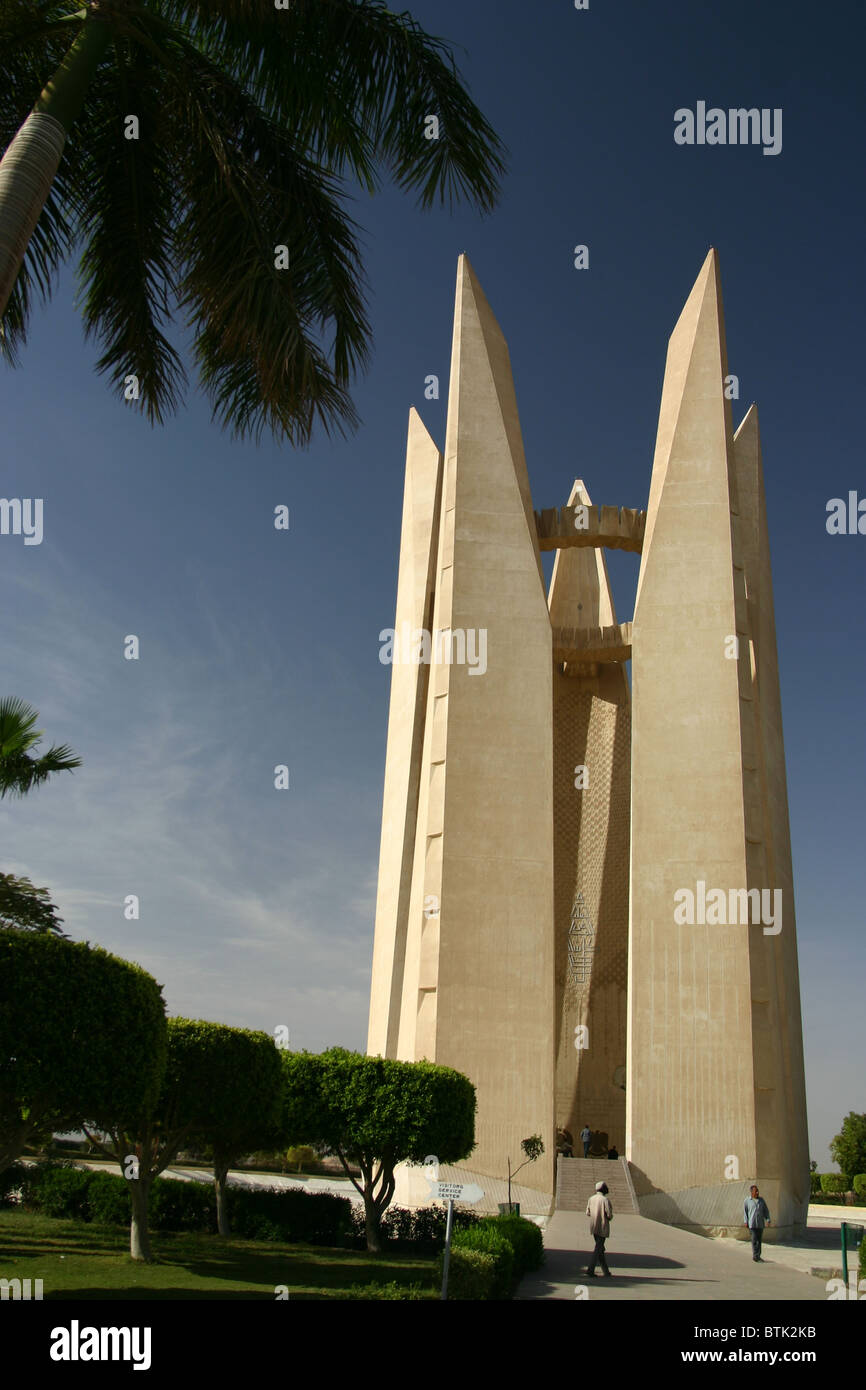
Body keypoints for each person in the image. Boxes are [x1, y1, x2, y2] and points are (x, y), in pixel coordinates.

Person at [586, 1181, 613, 1277]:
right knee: (598, 1249)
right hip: (602, 1226)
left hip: (594, 1226)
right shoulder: (605, 1200)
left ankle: (606, 1271)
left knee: (600, 1248)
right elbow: (609, 1214)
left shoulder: (591, 1198)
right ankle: (590, 1269)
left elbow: (587, 1213)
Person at [743, 1184, 771, 1261]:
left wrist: (768, 1220)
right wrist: (746, 1221)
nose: (757, 1192)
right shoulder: (747, 1201)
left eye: (758, 1191)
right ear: (752, 1192)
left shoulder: (761, 1200)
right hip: (752, 1224)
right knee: (754, 1240)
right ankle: (755, 1255)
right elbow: (745, 1212)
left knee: (759, 1240)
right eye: (756, 1191)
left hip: (760, 1224)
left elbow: (766, 1211)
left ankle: (758, 1255)